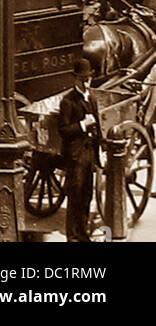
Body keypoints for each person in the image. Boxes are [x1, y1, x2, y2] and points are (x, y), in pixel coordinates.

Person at [59, 57, 100, 242]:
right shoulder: (68, 101)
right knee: (75, 197)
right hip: (75, 156)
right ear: (75, 79)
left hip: (89, 154)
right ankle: (73, 236)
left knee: (86, 196)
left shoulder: (92, 98)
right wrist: (83, 125)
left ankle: (83, 234)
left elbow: (98, 126)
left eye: (88, 79)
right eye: (82, 79)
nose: (85, 82)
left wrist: (100, 154)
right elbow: (63, 130)